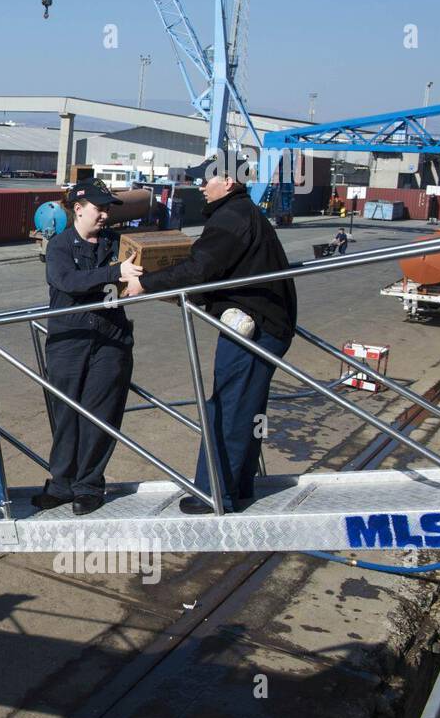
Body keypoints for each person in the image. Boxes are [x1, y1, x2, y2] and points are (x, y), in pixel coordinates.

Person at [129, 152, 297, 515]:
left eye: (206, 179)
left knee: (227, 407)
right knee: (246, 408)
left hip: (257, 327)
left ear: (229, 181)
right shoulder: (242, 213)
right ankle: (238, 487)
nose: (200, 186)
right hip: (268, 323)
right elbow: (218, 272)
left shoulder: (231, 217)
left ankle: (214, 493)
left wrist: (146, 284)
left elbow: (201, 268)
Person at [37, 181, 144, 515]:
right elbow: (67, 282)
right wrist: (115, 272)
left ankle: (89, 486)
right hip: (70, 341)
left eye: (108, 209)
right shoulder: (59, 246)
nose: (105, 215)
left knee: (100, 417)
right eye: (99, 209)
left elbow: (144, 269)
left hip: (110, 341)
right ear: (79, 209)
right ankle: (61, 484)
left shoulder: (117, 244)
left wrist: (140, 279)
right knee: (66, 414)